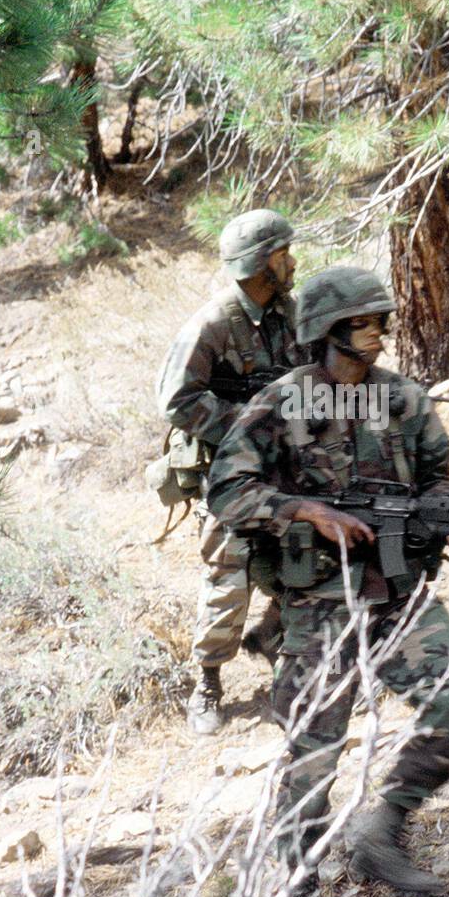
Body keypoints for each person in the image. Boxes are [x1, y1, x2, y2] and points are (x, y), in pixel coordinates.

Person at [206, 265, 449, 897]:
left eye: (382, 320)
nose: (379, 332)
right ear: (328, 331)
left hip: (398, 595)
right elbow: (227, 490)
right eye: (363, 322)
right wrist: (306, 511)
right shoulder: (282, 402)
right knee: (313, 753)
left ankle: (382, 832)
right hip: (319, 607)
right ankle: (295, 890)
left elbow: (438, 476)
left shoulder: (404, 399)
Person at [156, 209, 301, 736]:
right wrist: (248, 424)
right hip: (230, 472)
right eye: (283, 254)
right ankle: (209, 681)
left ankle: (276, 641)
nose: (292, 262)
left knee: (303, 554)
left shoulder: (291, 313)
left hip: (285, 467)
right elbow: (176, 400)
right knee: (228, 572)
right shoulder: (213, 325)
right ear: (262, 265)